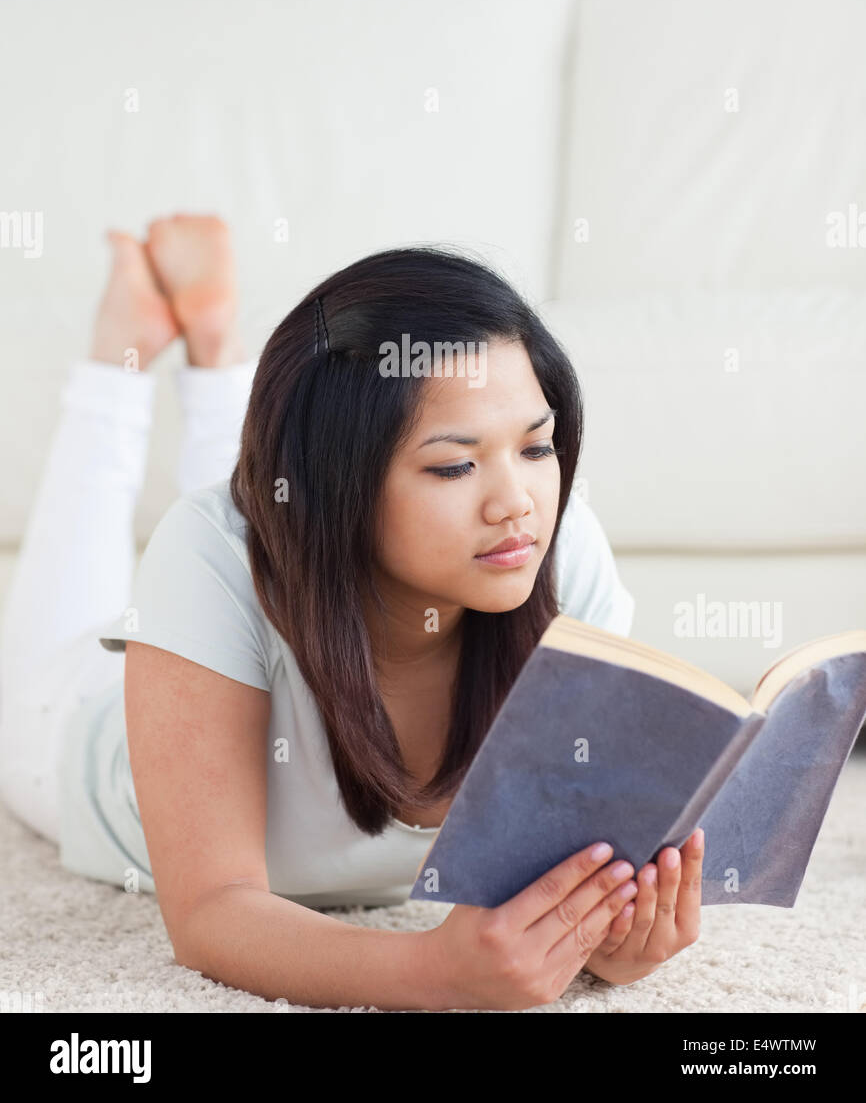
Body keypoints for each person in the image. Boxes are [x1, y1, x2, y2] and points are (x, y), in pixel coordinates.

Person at [0, 215, 703, 1011]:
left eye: (537, 448)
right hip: (77, 724)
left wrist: (615, 940)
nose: (517, 503)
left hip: (273, 547)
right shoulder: (206, 556)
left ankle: (212, 348)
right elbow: (209, 913)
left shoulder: (557, 548)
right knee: (192, 542)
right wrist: (432, 974)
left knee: (253, 517)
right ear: (340, 485)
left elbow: (592, 860)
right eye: (454, 465)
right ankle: (120, 352)